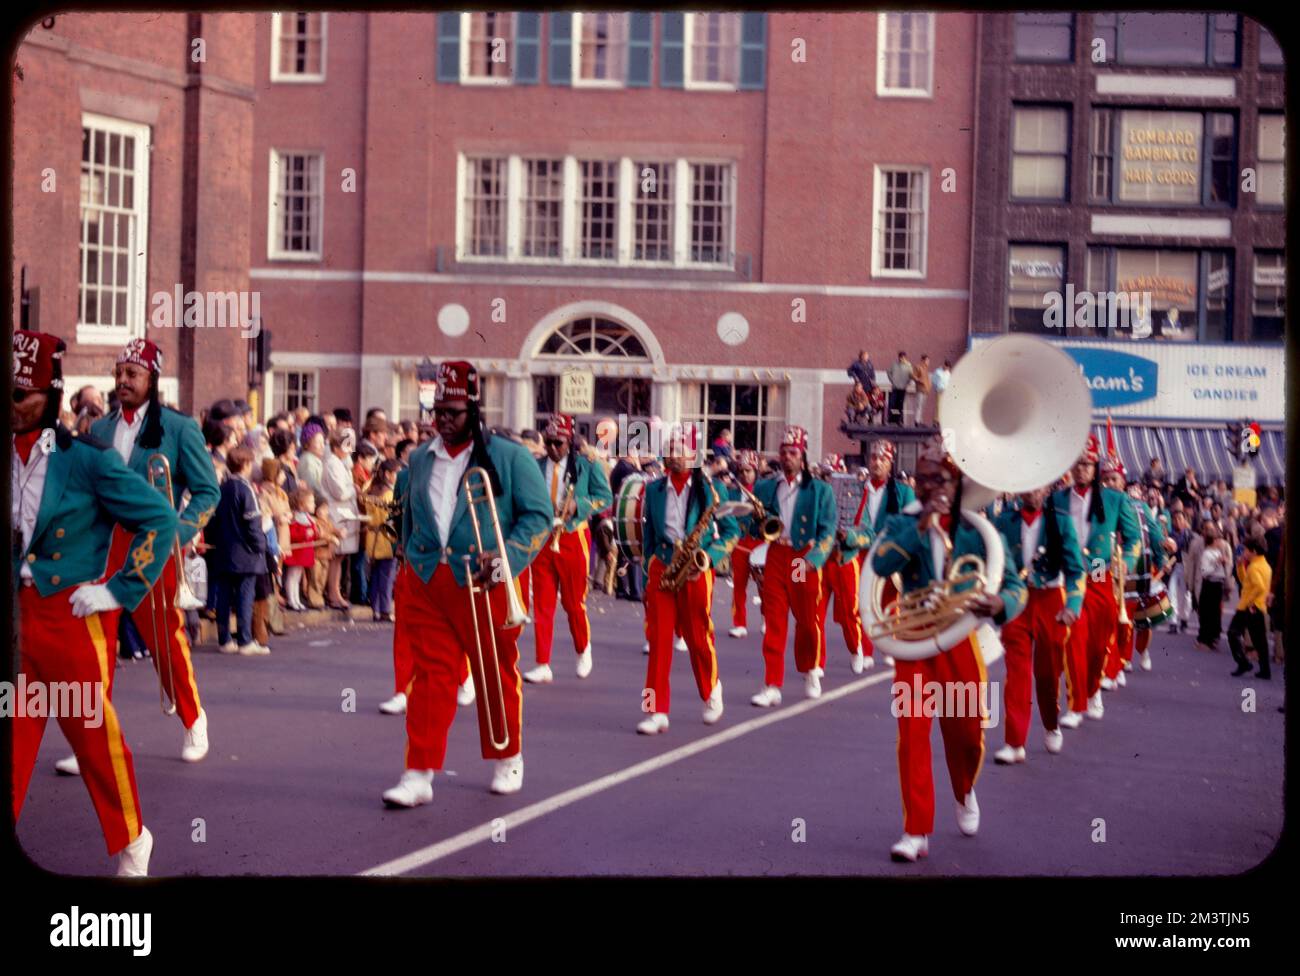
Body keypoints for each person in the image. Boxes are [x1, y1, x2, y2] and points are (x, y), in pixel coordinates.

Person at [12, 330, 178, 876]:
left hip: (71, 616)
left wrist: (117, 589)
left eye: (22, 395)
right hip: (19, 619)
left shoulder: (87, 459)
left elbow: (160, 517)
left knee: (94, 746)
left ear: (52, 395)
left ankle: (133, 839)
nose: (12, 405)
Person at [380, 361, 551, 805]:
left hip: (484, 579)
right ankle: (418, 773)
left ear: (474, 410)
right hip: (428, 580)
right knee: (431, 676)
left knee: (495, 672)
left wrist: (504, 561)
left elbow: (540, 518)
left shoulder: (511, 457)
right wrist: (409, 557)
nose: (443, 420)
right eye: (437, 411)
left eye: (453, 412)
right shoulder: (419, 458)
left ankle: (507, 756)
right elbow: (411, 515)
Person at [57, 338, 220, 777]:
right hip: (106, 546)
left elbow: (208, 492)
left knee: (164, 638)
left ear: (152, 379)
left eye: (132, 374)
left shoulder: (180, 428)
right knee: (95, 644)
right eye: (119, 372)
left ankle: (193, 720)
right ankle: (92, 739)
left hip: (153, 546)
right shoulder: (100, 430)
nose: (122, 381)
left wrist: (179, 533)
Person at [871, 434, 1026, 862]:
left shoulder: (980, 531)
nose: (928, 488)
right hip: (915, 641)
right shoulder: (903, 521)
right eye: (921, 480)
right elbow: (881, 564)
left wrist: (1001, 603)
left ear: (957, 484)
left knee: (967, 735)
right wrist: (920, 526)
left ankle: (964, 790)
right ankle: (915, 830)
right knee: (913, 732)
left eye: (938, 480)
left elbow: (1014, 586)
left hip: (960, 642)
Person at [636, 425, 740, 734]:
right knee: (658, 639)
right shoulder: (653, 489)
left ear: (693, 455)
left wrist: (708, 557)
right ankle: (655, 711)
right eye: (670, 447)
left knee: (697, 636)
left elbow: (732, 532)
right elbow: (649, 537)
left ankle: (710, 691)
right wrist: (648, 572)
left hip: (696, 566)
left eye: (680, 448)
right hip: (663, 566)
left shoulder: (711, 488)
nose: (674, 453)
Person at [1050, 439, 1140, 726]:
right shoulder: (1058, 499)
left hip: (1101, 571)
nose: (1081, 470)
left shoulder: (1115, 499)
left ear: (1095, 468)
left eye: (1086, 464)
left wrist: (1126, 561)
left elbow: (1134, 537)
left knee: (1099, 643)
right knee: (1075, 639)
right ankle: (1076, 705)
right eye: (1076, 464)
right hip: (1071, 574)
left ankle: (1094, 690)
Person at [993, 485, 1086, 761]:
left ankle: (1051, 724)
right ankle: (1015, 742)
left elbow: (1076, 569)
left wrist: (1072, 605)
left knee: (1047, 673)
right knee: (1017, 672)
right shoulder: (1004, 520)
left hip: (1050, 601)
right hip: (1017, 600)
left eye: (1039, 484)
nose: (1032, 491)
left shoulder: (1061, 519)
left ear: (1046, 489)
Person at [747, 426, 837, 706]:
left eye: (793, 452)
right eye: (784, 452)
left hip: (802, 556)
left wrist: (814, 560)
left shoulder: (819, 489)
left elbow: (828, 529)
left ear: (803, 455)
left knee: (806, 618)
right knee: (773, 619)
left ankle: (811, 670)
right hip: (776, 554)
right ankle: (771, 684)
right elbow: (752, 527)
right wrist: (758, 521)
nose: (787, 457)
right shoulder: (765, 486)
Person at [522, 413, 612, 684]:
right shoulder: (536, 464)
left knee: (574, 603)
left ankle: (583, 649)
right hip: (543, 537)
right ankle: (542, 663)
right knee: (543, 604)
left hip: (572, 536)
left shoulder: (586, 465)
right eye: (548, 442)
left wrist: (578, 505)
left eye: (558, 443)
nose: (552, 449)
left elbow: (605, 497)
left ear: (569, 441)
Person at [211, 446, 270, 655]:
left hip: (224, 550)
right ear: (245, 465)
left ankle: (225, 639)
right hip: (246, 553)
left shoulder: (222, 487)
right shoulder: (246, 490)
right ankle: (245, 641)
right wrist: (261, 547)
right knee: (245, 597)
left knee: (224, 597)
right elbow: (253, 523)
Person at [726, 450, 764, 637]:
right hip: (739, 543)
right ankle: (739, 623)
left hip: (759, 542)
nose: (745, 474)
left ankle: (767, 618)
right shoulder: (731, 492)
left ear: (755, 471)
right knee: (739, 585)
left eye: (749, 470)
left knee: (763, 585)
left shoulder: (763, 490)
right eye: (742, 470)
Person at [322, 429, 359, 609]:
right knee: (335, 555)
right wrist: (354, 489)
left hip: (344, 513)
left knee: (340, 556)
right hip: (337, 514)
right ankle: (333, 593)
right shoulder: (332, 464)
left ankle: (335, 592)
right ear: (336, 447)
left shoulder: (341, 463)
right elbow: (340, 492)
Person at [1229, 538, 1273, 679]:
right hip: (1259, 607)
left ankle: (1243, 662)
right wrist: (1240, 566)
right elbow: (1246, 581)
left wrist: (1248, 602)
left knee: (1233, 633)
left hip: (1248, 607)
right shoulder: (1263, 564)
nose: (1244, 552)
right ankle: (1265, 670)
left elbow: (1258, 586)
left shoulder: (1254, 567)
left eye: (1246, 550)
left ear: (1253, 551)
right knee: (1260, 640)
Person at [363, 459, 401, 622]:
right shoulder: (388, 494)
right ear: (387, 474)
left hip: (373, 536)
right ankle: (385, 609)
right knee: (387, 575)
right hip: (386, 536)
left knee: (376, 575)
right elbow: (391, 517)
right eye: (395, 473)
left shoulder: (371, 491)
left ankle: (376, 609)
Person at [1195, 522, 1232, 651]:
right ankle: (1204, 639)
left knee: (1216, 613)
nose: (1221, 542)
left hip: (1218, 585)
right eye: (1219, 539)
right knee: (1207, 612)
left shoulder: (1218, 552)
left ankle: (1214, 637)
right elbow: (1205, 572)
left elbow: (1225, 570)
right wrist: (1217, 563)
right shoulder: (1207, 554)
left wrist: (1225, 564)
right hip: (1209, 584)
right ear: (1214, 541)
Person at [284, 486, 318, 611]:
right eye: (311, 502)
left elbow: (313, 532)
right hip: (297, 552)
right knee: (292, 576)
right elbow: (291, 534)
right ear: (302, 504)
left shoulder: (308, 518)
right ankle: (291, 599)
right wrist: (304, 535)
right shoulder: (295, 518)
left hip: (304, 552)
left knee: (297, 576)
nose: (314, 504)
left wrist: (313, 533)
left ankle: (296, 599)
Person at [886, 351, 912, 426]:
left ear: (905, 358)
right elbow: (888, 372)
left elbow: (911, 375)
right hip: (895, 387)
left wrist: (907, 382)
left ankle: (898, 420)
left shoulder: (908, 365)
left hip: (903, 388)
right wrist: (892, 380)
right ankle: (890, 419)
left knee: (899, 405)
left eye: (903, 357)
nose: (901, 359)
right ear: (899, 357)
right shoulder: (894, 364)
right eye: (900, 357)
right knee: (892, 403)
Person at [911, 354, 933, 425]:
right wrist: (919, 380)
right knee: (919, 405)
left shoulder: (926, 369)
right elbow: (914, 376)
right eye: (927, 361)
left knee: (922, 406)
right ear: (923, 360)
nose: (928, 362)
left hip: (925, 390)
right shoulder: (918, 367)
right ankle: (916, 421)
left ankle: (920, 420)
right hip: (920, 389)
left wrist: (929, 386)